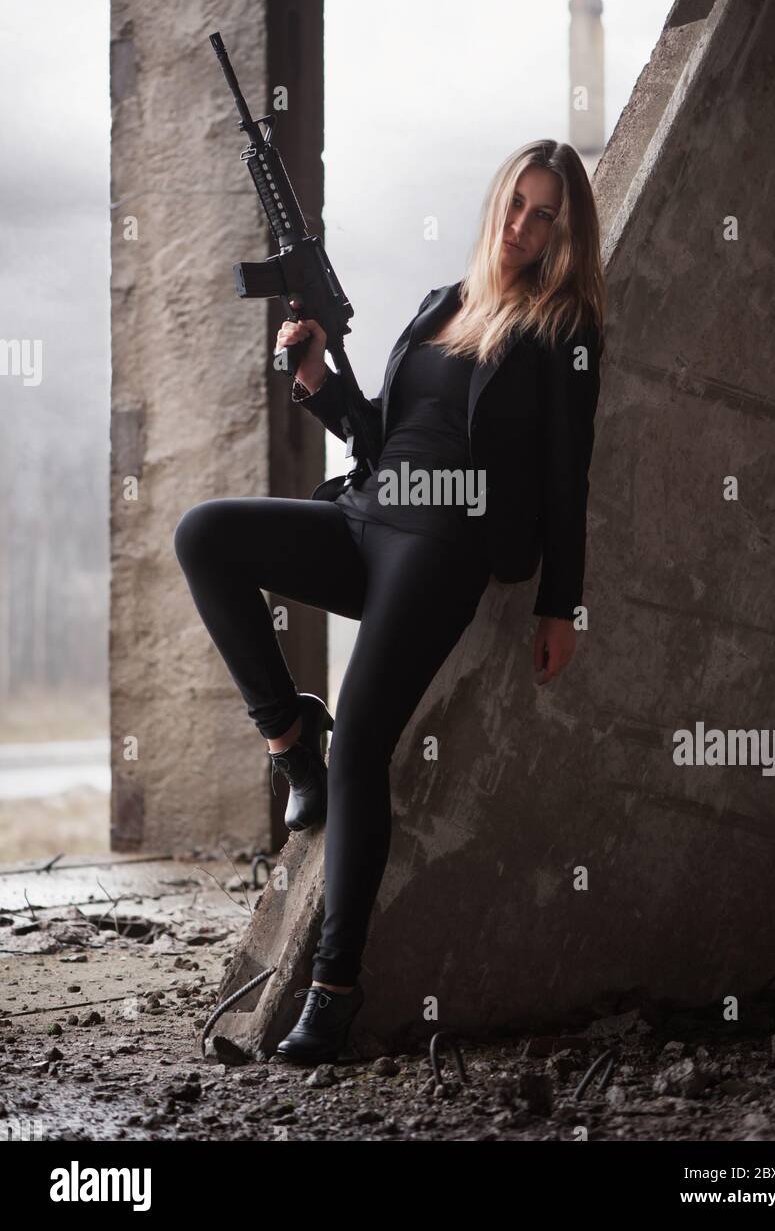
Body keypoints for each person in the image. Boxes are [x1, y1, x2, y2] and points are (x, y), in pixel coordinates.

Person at [173, 138, 605, 1065]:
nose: (522, 225)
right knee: (204, 534)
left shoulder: (564, 330)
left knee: (368, 741)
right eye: (516, 204)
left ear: (565, 233)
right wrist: (319, 377)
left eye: (545, 215)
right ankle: (293, 744)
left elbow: (569, 476)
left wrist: (559, 604)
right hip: (368, 514)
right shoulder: (440, 305)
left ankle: (332, 992)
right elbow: (379, 437)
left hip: (444, 542)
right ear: (496, 202)